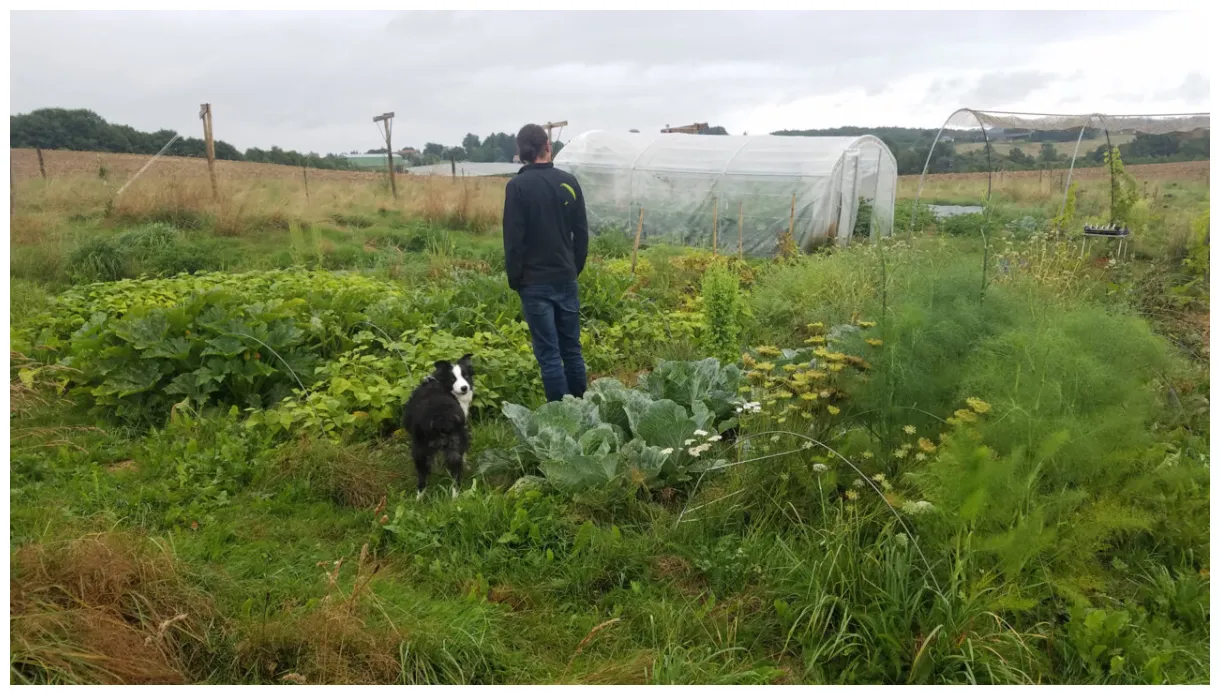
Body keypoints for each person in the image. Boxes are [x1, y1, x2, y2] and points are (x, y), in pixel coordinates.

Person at [502, 123, 589, 403]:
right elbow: (582, 232)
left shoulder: (517, 187)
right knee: (572, 350)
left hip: (534, 283)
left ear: (522, 152)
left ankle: (562, 418)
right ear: (547, 147)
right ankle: (581, 409)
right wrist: (574, 267)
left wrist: (516, 279)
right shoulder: (568, 181)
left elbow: (513, 240)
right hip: (565, 276)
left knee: (549, 354)